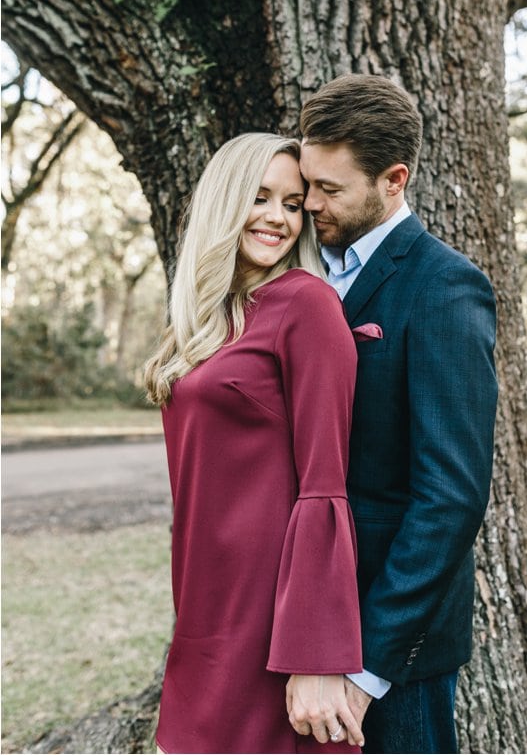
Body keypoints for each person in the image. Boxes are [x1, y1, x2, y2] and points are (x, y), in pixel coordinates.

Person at [295, 74, 499, 754]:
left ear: (393, 180)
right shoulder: (295, 269)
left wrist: (367, 667)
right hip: (299, 628)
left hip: (392, 653)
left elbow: (451, 497)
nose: (308, 203)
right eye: (307, 183)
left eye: (330, 189)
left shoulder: (444, 288)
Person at [143, 133, 365, 753]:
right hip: (201, 609)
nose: (277, 217)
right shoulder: (209, 322)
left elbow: (326, 485)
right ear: (224, 200)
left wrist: (317, 654)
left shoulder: (307, 305)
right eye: (260, 197)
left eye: (293, 204)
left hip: (269, 619)